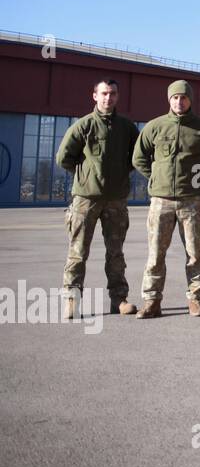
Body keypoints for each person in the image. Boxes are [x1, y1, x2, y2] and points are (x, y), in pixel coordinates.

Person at [133, 80, 200, 318]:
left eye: (183, 97)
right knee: (155, 254)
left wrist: (198, 179)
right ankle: (151, 301)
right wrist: (156, 177)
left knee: (195, 254)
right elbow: (139, 157)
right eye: (175, 97)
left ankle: (195, 299)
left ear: (190, 100)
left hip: (191, 201)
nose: (179, 101)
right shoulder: (155, 127)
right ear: (169, 100)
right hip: (160, 201)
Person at [56, 79, 140, 318]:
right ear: (94, 96)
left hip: (116, 200)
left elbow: (137, 156)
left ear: (117, 96)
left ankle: (119, 300)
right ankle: (71, 301)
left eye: (112, 93)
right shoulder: (83, 126)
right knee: (78, 252)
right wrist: (85, 176)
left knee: (116, 253)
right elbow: (63, 158)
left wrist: (121, 173)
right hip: (86, 200)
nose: (108, 98)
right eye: (103, 93)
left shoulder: (127, 127)